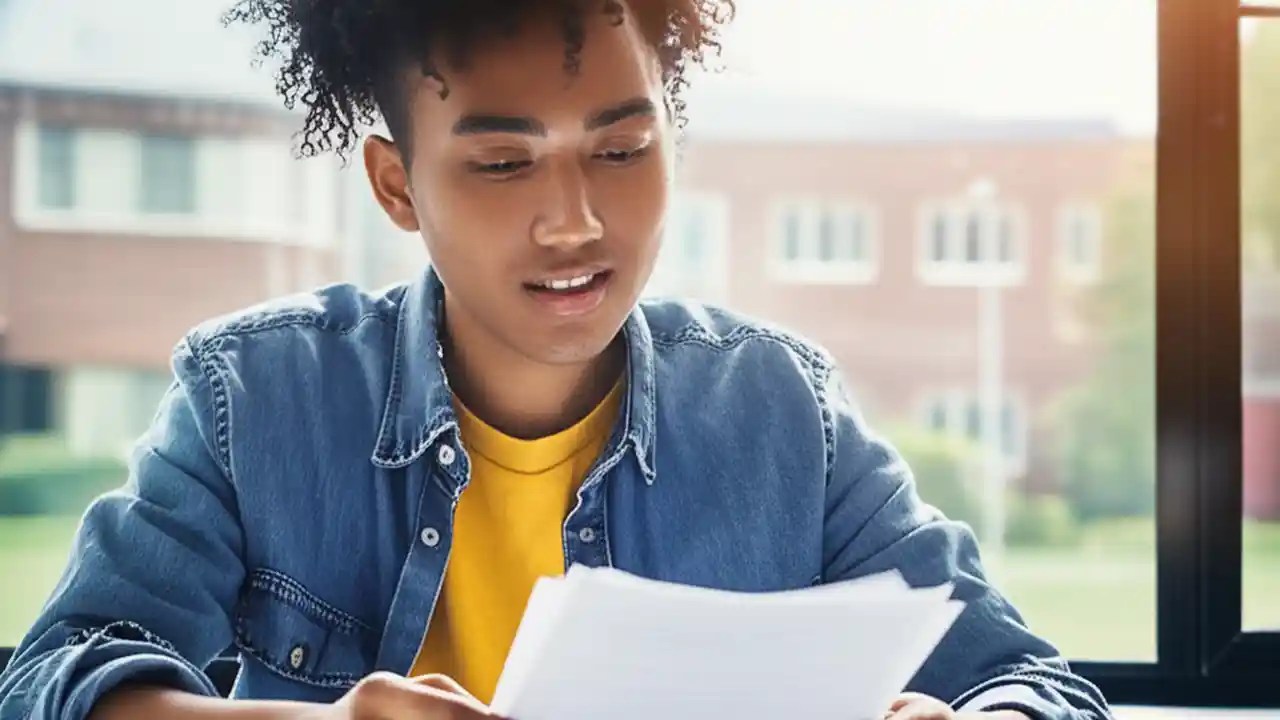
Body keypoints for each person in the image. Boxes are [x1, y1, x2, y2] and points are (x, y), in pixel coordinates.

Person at [0, 1, 1113, 719]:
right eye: (500, 165)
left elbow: (1036, 686)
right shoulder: (257, 397)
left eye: (622, 150)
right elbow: (57, 676)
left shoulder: (782, 414)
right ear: (396, 185)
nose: (575, 220)